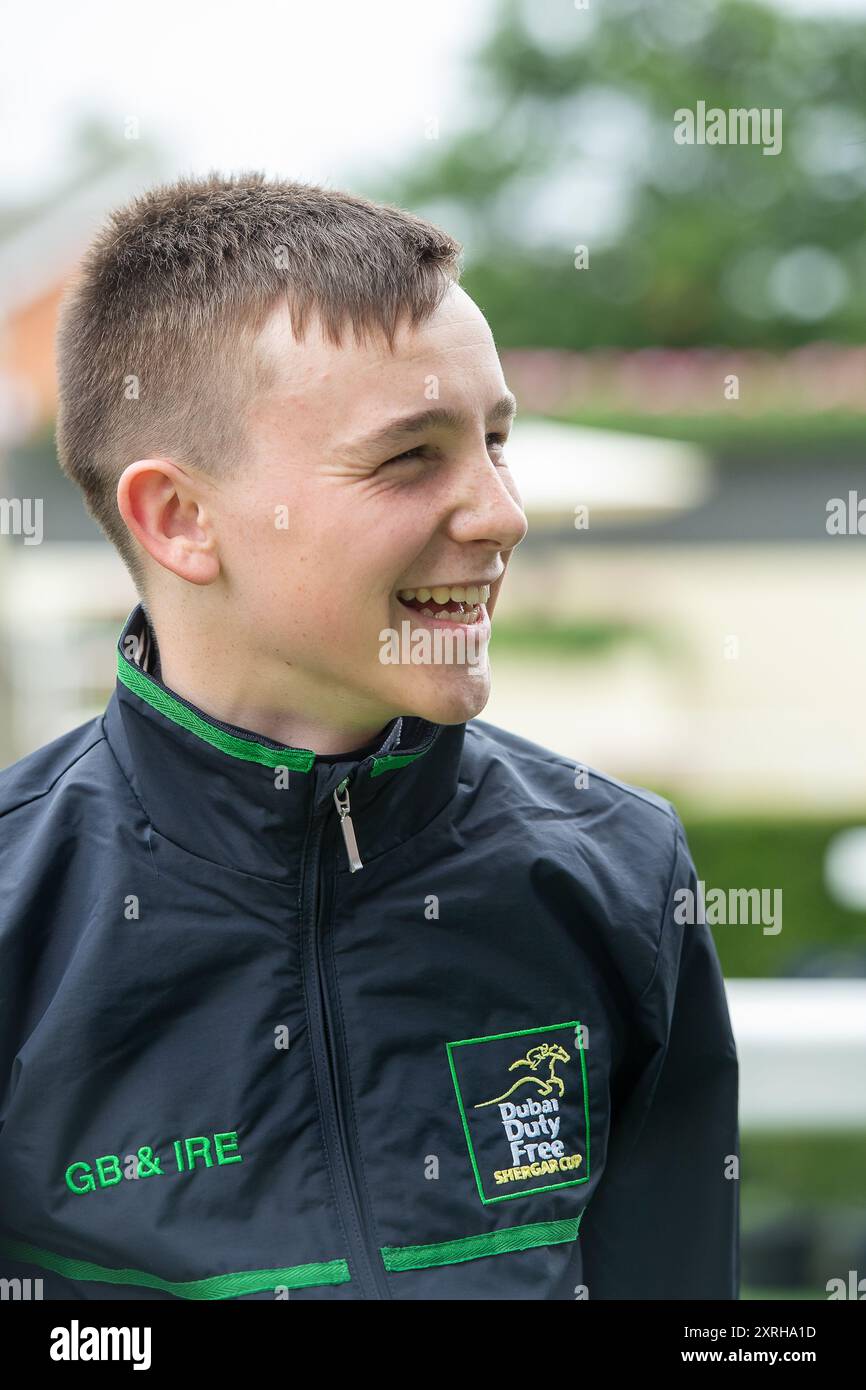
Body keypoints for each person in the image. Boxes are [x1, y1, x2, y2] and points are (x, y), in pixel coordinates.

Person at [0, 172, 739, 1300]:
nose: (501, 512)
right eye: (410, 458)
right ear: (180, 519)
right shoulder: (21, 907)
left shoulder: (619, 871)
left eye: (496, 440)